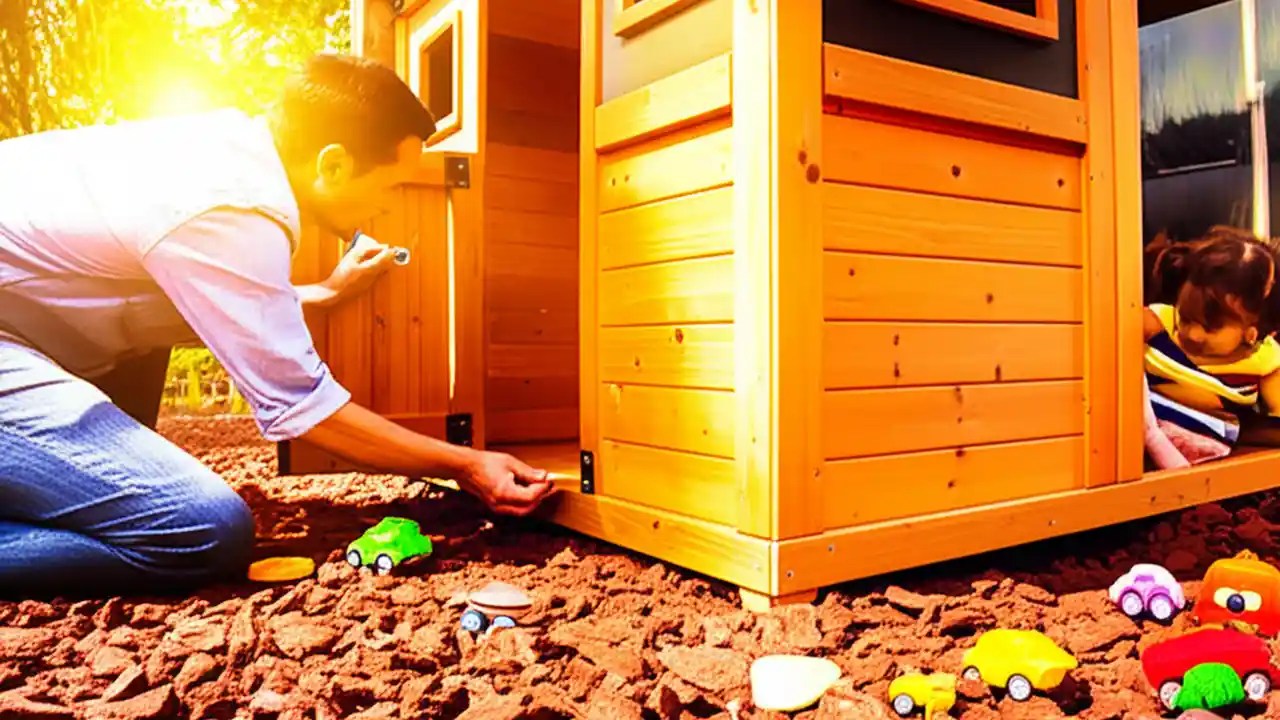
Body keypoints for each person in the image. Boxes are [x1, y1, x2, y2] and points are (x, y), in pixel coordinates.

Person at [0, 53, 556, 597]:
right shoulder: (230, 207)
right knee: (201, 529)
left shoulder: (223, 156)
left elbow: (222, 298)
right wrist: (467, 464)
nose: (388, 208)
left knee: (137, 382)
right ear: (332, 163)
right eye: (389, 187)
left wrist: (324, 293)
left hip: (23, 328)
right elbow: (303, 409)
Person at [1141, 226, 1280, 466]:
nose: (1192, 334)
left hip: (1205, 450)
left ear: (1252, 329)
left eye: (1210, 327)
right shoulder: (1156, 322)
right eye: (1184, 318)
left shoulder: (1265, 362)